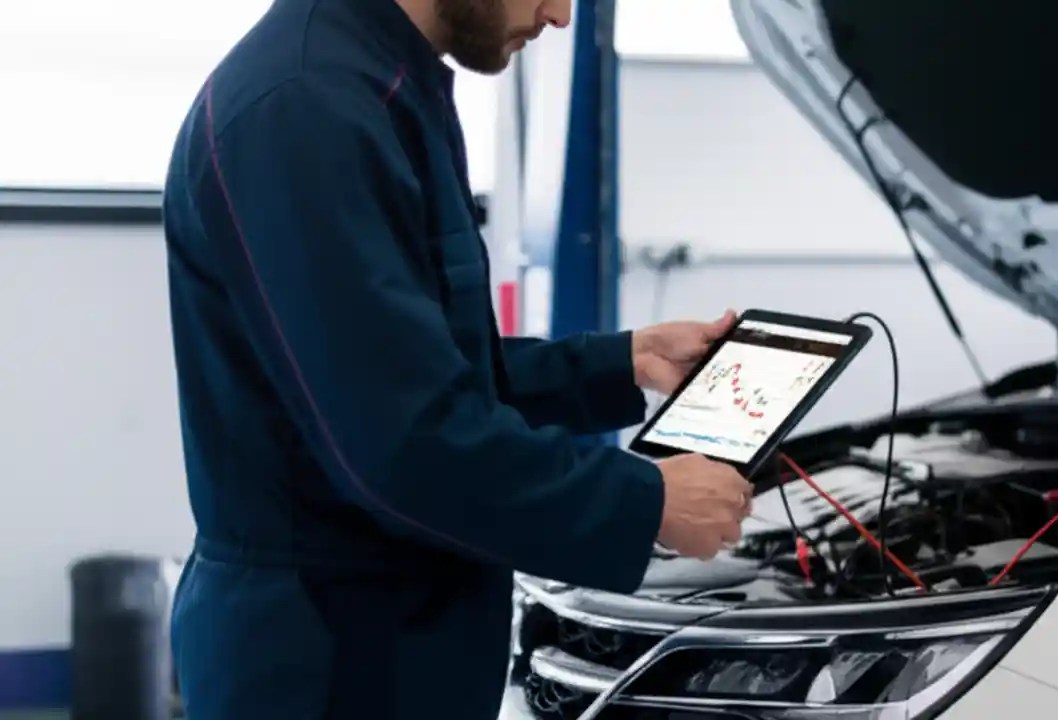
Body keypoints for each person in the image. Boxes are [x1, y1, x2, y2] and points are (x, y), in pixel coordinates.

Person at [161, 0, 752, 717]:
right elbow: (403, 444)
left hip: (381, 640)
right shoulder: (309, 106)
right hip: (328, 662)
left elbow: (420, 368)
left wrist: (624, 361)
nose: (560, 14)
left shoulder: (376, 80)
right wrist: (643, 501)